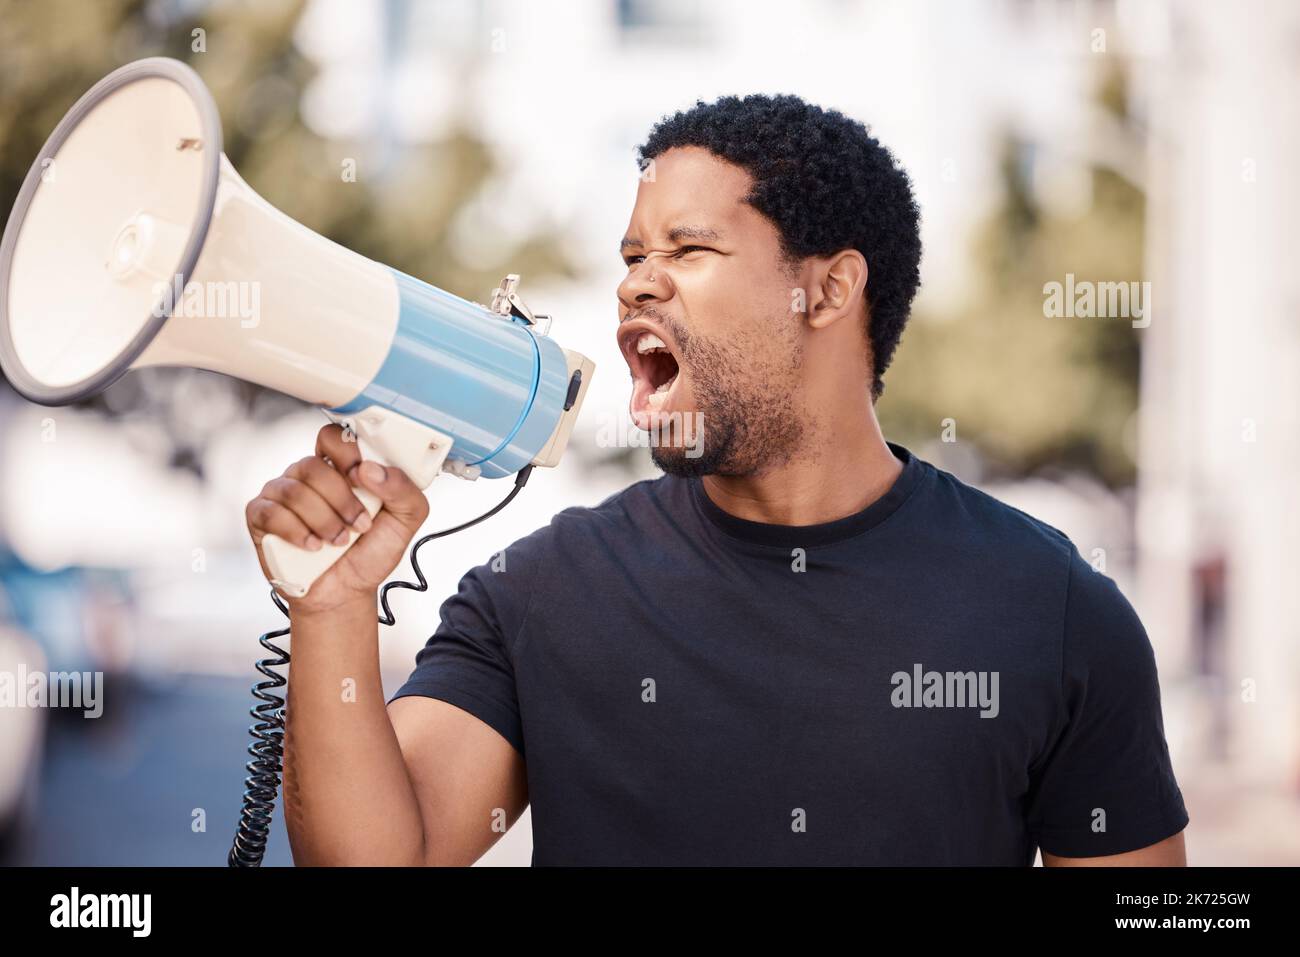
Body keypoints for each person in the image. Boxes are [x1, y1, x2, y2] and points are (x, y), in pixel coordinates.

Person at [247, 94, 1188, 866]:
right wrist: (329, 610)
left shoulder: (1051, 607)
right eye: (630, 258)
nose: (635, 286)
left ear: (826, 290)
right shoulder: (541, 592)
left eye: (686, 250)